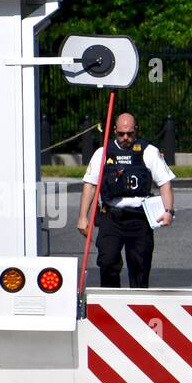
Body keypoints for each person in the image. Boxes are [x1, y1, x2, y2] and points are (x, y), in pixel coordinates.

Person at [77, 113, 175, 289]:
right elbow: (90, 185)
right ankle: (110, 302)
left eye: (129, 133)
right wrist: (83, 217)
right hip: (111, 216)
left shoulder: (149, 151)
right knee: (107, 261)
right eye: (121, 133)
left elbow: (165, 183)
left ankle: (138, 306)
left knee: (140, 266)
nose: (125, 138)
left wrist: (168, 211)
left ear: (136, 130)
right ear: (114, 130)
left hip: (139, 217)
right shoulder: (103, 153)